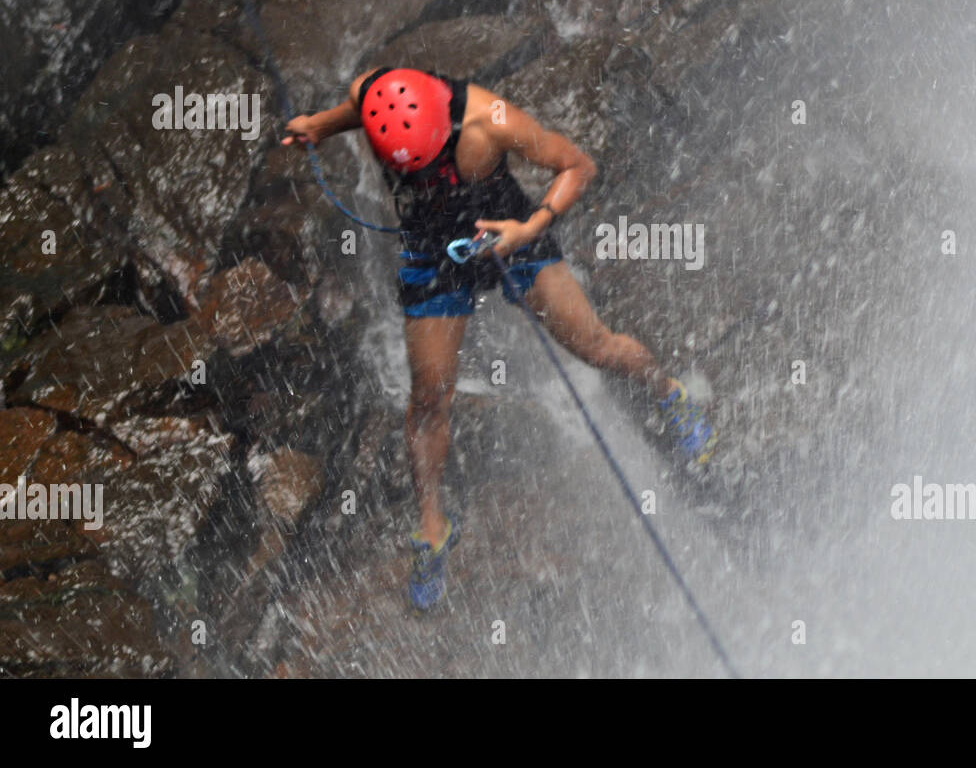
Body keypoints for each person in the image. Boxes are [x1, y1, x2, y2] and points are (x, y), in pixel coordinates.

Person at [282, 66, 716, 610]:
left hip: (510, 234)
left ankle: (670, 394)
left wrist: (527, 230)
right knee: (428, 398)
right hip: (431, 250)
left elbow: (578, 165)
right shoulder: (371, 92)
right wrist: (320, 126)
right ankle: (433, 527)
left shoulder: (490, 120)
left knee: (595, 346)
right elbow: (357, 111)